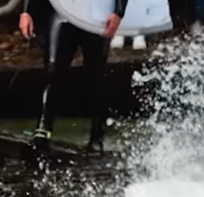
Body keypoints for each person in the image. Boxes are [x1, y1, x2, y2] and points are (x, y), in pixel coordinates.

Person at [19, 0, 125, 155]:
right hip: (63, 12)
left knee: (96, 72)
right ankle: (43, 130)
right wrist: (27, 11)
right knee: (53, 68)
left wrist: (118, 12)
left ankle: (96, 135)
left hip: (95, 13)